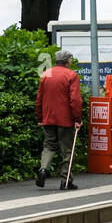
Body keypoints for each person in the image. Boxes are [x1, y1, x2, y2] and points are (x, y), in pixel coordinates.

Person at [36, 49, 82, 189]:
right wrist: (77, 119)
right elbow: (75, 100)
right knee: (67, 149)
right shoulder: (71, 75)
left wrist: (40, 117)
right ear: (68, 60)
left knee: (49, 145)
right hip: (65, 119)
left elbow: (39, 99)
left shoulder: (46, 74)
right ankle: (65, 180)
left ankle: (43, 169)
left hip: (48, 117)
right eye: (70, 59)